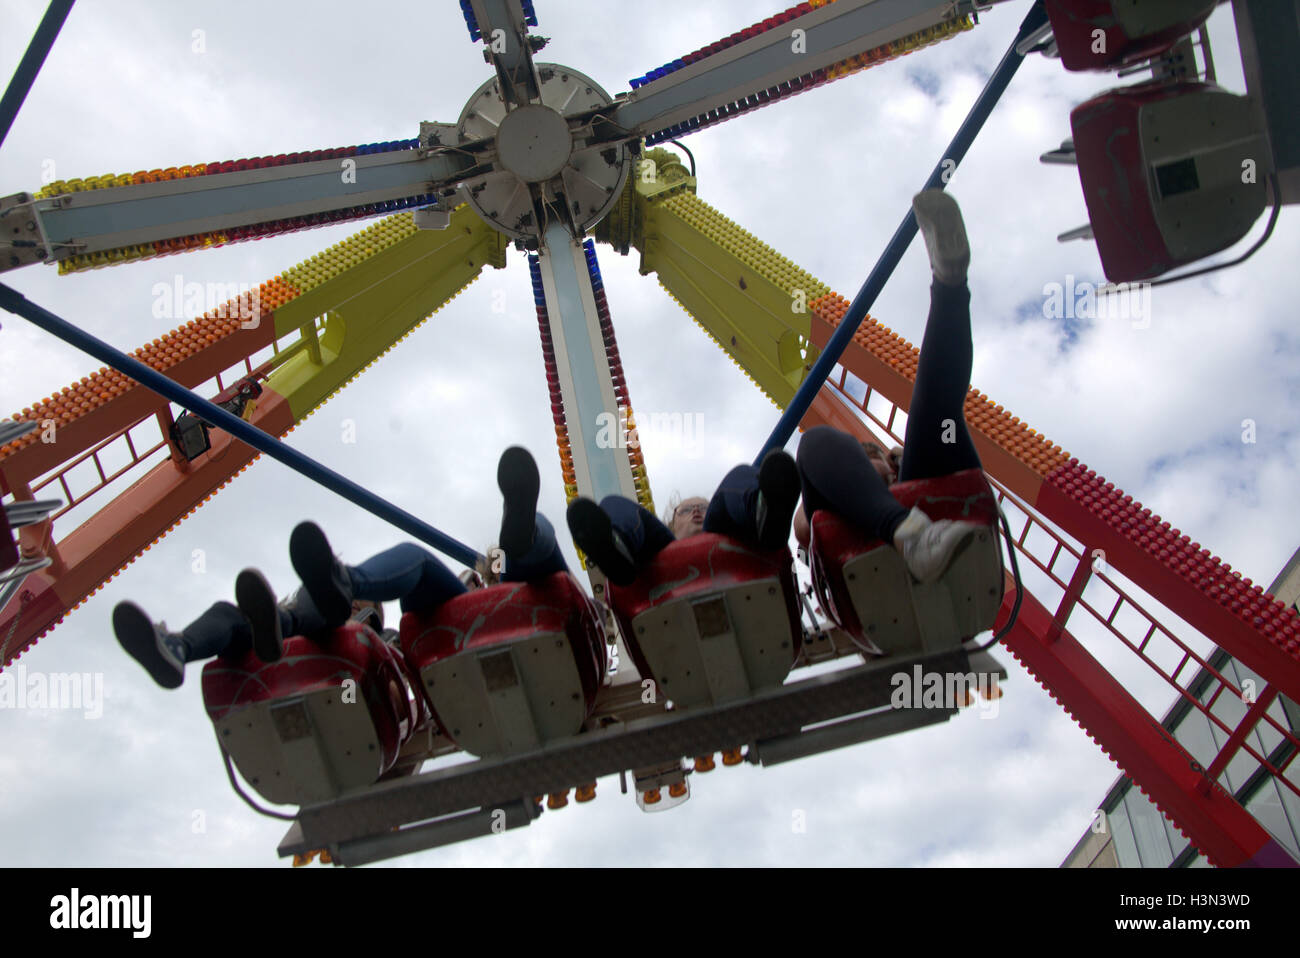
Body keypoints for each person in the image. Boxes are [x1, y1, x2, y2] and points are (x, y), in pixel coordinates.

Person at [114, 446, 565, 687]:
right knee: (232, 616)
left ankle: (520, 533)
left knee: (510, 568)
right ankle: (178, 647)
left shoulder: (383, 631)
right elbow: (395, 654)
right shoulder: (378, 638)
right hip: (414, 644)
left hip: (492, 617)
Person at [794, 189, 985, 584]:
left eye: (877, 463)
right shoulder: (827, 504)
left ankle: (949, 280)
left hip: (932, 509)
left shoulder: (909, 477)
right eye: (866, 466)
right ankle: (909, 535)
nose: (876, 470)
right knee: (813, 443)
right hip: (859, 571)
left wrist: (902, 467)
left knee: (940, 420)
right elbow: (802, 528)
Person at [564, 449, 803, 586]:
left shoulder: (724, 522)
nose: (697, 511)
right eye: (687, 510)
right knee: (614, 504)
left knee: (740, 474)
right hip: (661, 570)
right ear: (672, 523)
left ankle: (763, 514)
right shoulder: (660, 541)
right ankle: (618, 549)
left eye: (703, 507)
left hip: (738, 544)